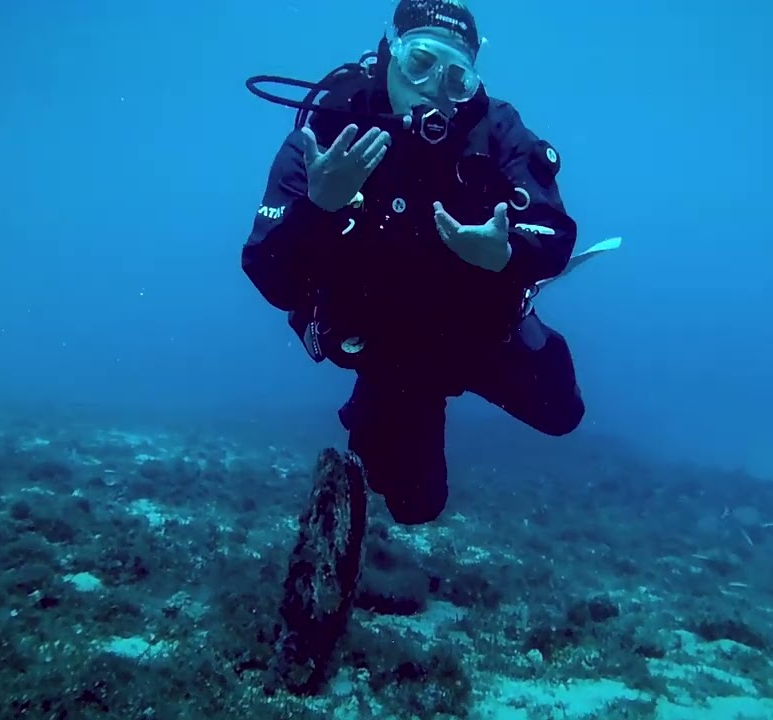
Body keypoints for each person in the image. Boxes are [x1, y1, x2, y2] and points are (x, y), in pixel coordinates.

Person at [241, 0, 585, 525]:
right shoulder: (328, 132)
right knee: (415, 505)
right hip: (391, 348)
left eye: (456, 76)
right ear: (389, 54)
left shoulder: (496, 129)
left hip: (478, 328)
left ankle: (524, 339)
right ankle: (377, 415)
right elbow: (272, 276)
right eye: (420, 62)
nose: (435, 89)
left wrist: (507, 253)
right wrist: (318, 208)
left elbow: (555, 233)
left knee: (563, 414)